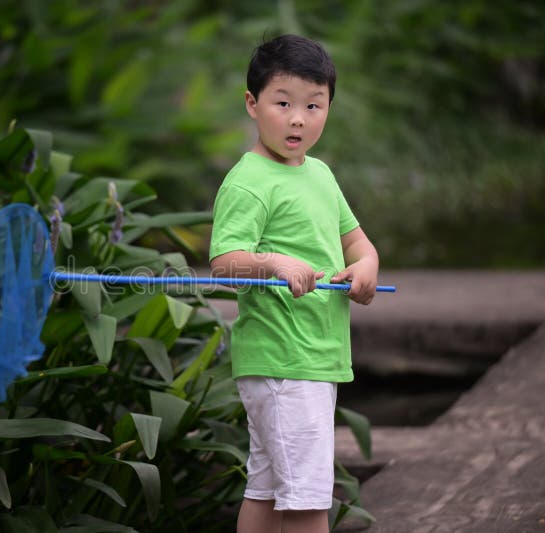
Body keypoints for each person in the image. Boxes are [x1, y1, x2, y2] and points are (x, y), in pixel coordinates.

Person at [209, 34, 380, 533]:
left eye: (314, 105)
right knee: (307, 503)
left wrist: (367, 267)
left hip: (311, 358)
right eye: (283, 103)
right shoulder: (248, 181)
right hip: (284, 360)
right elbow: (223, 262)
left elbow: (360, 246)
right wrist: (272, 262)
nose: (298, 118)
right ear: (253, 104)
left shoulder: (321, 175)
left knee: (265, 492)